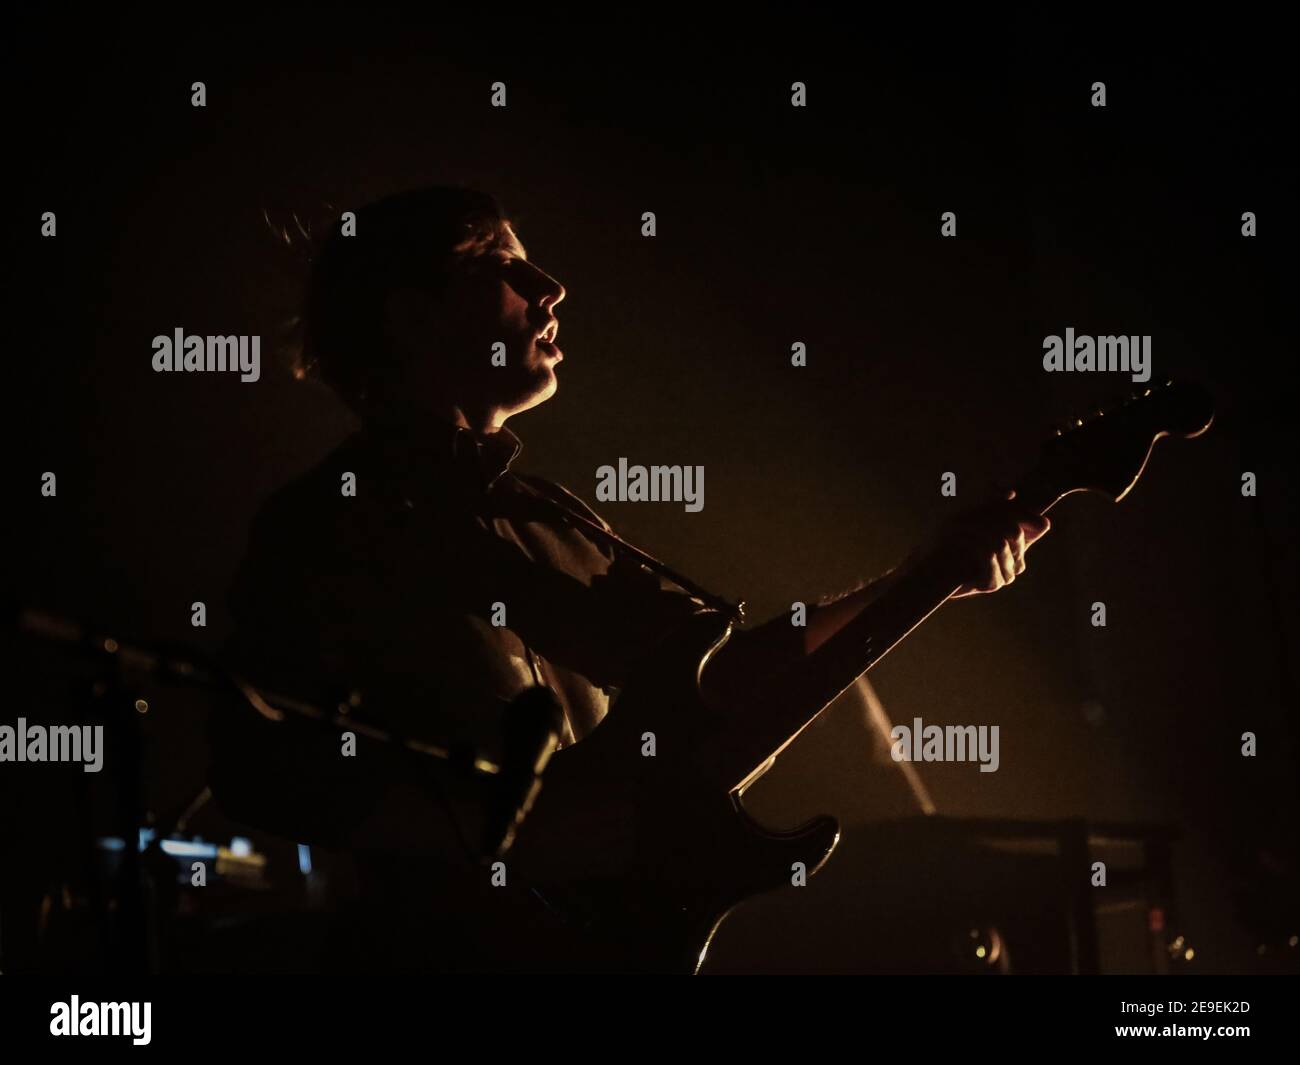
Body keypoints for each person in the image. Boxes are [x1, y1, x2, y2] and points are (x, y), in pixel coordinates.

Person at [208, 185, 1049, 970]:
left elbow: (725, 681)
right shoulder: (323, 525)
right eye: (504, 267)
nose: (552, 288)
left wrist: (926, 578)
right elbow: (257, 764)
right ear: (413, 317)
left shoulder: (553, 521)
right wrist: (510, 840)